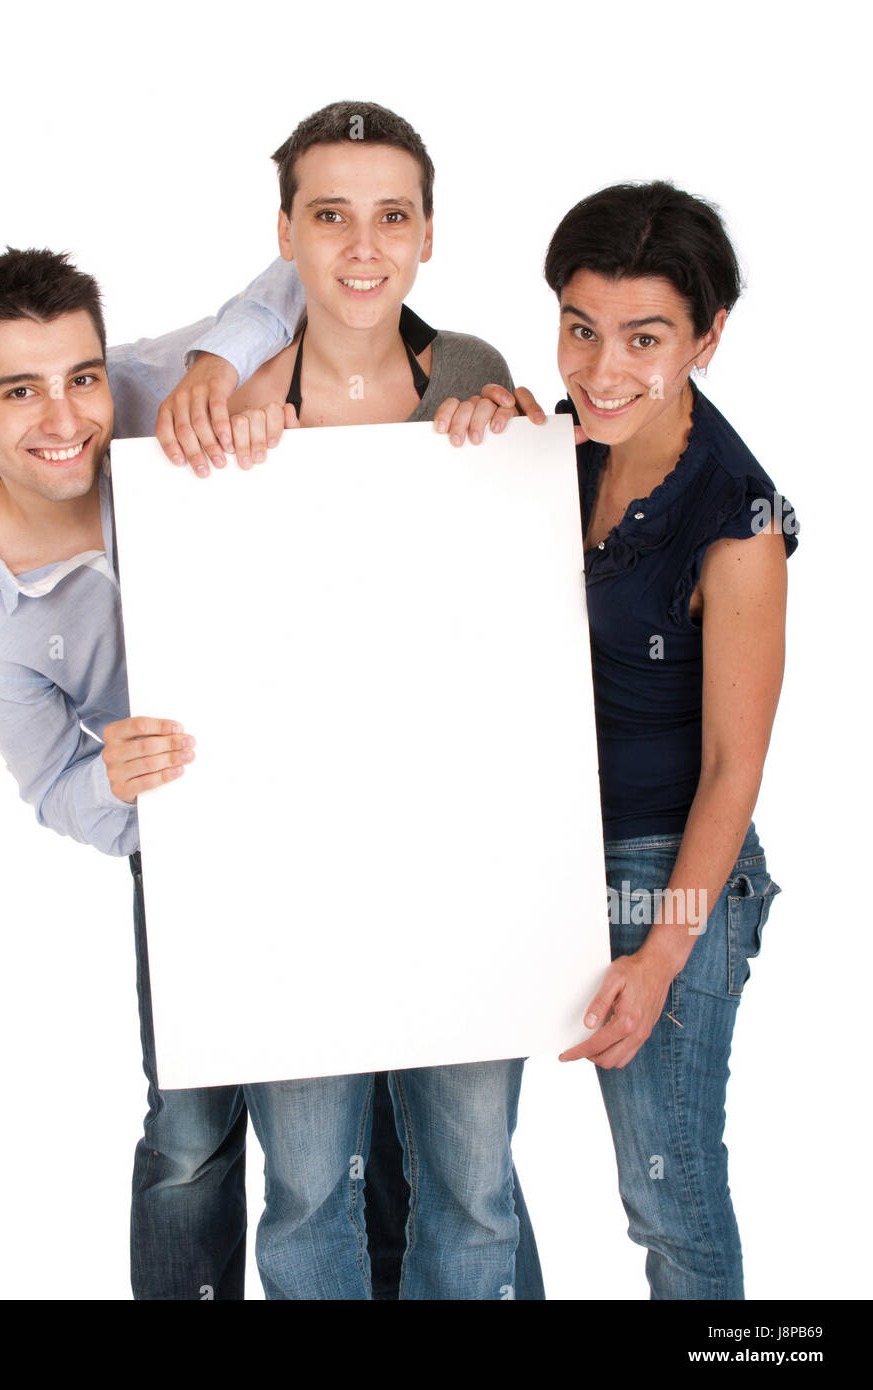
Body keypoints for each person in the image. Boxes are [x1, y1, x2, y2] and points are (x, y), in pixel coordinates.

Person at [199, 99, 540, 1302]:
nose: (362, 246)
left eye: (392, 215)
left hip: (462, 858)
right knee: (302, 1199)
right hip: (290, 868)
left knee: (474, 1191)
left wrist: (510, 444)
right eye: (330, 214)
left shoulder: (475, 376)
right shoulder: (225, 413)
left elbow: (528, 611)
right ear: (283, 232)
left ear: (429, 235)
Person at [436, 181, 798, 1298]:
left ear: (709, 337)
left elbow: (735, 771)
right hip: (534, 846)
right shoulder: (556, 442)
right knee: (464, 1174)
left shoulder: (737, 517)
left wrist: (662, 955)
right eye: (580, 329)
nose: (601, 368)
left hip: (665, 869)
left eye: (645, 339)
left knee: (666, 1197)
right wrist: (483, 441)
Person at [0, 246, 312, 1299]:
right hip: (181, 847)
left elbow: (288, 287)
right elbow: (54, 788)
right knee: (191, 1130)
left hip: (323, 792)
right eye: (19, 389)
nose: (67, 416)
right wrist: (117, 784)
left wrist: (209, 370)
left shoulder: (153, 391)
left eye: (81, 376)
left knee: (348, 1111)